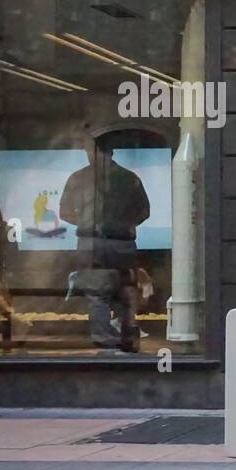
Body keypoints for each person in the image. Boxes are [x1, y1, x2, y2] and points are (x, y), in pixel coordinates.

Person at [59, 137, 150, 352]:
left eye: (88, 151)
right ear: (113, 151)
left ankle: (105, 341)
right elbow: (144, 212)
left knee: (98, 293)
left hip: (92, 243)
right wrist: (125, 223)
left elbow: (64, 212)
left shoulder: (78, 178)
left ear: (93, 152)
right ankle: (126, 337)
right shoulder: (130, 178)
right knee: (125, 291)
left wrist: (85, 222)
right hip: (123, 243)